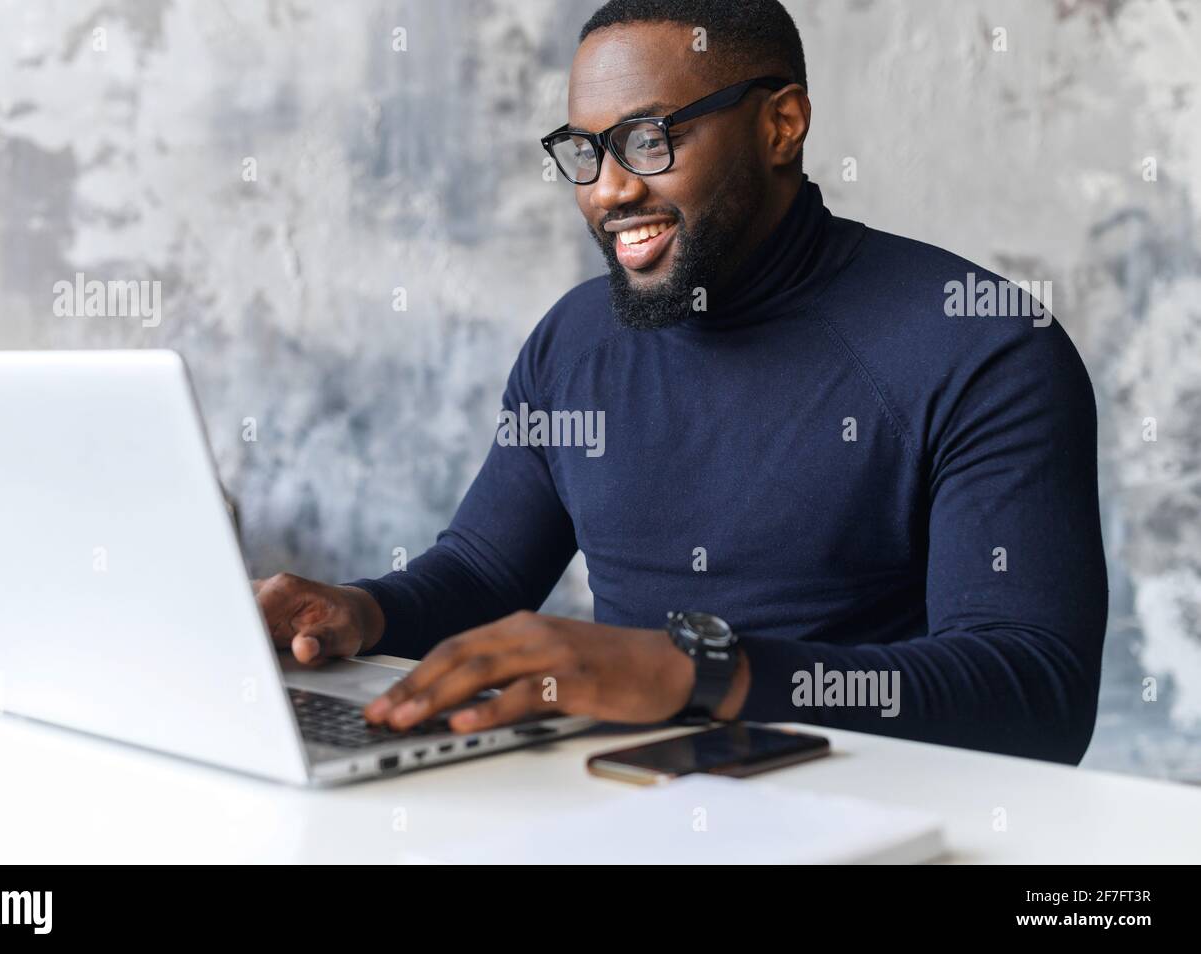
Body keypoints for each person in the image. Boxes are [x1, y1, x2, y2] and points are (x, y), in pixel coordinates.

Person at [254, 0, 1107, 763]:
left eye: (648, 140)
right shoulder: (574, 341)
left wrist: (700, 671)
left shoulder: (980, 344)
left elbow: (1031, 692)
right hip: (620, 800)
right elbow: (480, 574)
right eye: (583, 152)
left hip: (866, 815)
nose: (610, 190)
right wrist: (359, 613)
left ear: (783, 123)